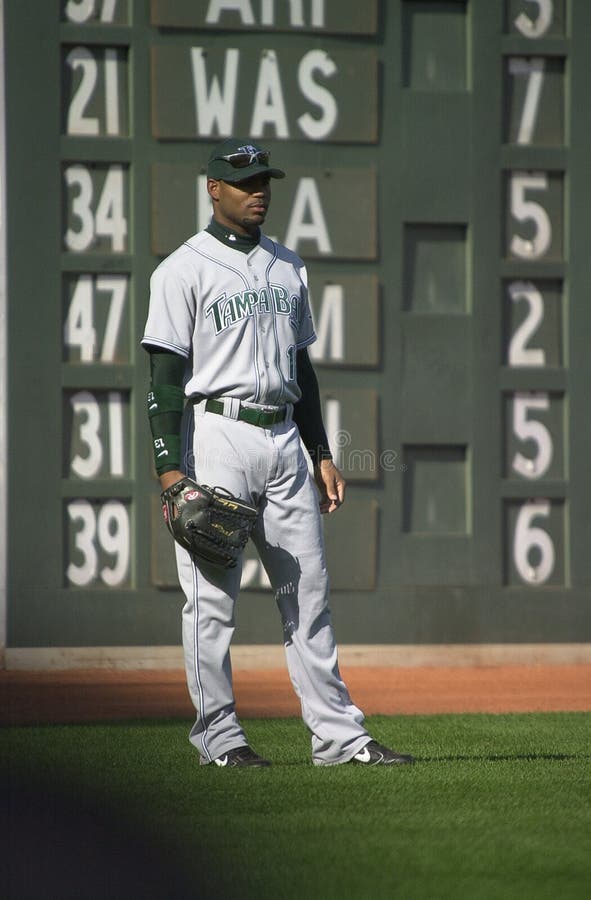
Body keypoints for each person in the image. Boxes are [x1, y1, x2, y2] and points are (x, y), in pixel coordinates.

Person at [142, 138, 415, 768]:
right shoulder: (181, 270)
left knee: (310, 593)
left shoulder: (289, 266)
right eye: (246, 182)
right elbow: (162, 383)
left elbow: (303, 369)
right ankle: (219, 739)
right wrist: (170, 472)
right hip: (218, 435)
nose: (259, 190)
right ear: (214, 189)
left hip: (286, 438)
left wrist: (322, 451)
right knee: (212, 601)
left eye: (265, 180)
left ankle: (341, 740)